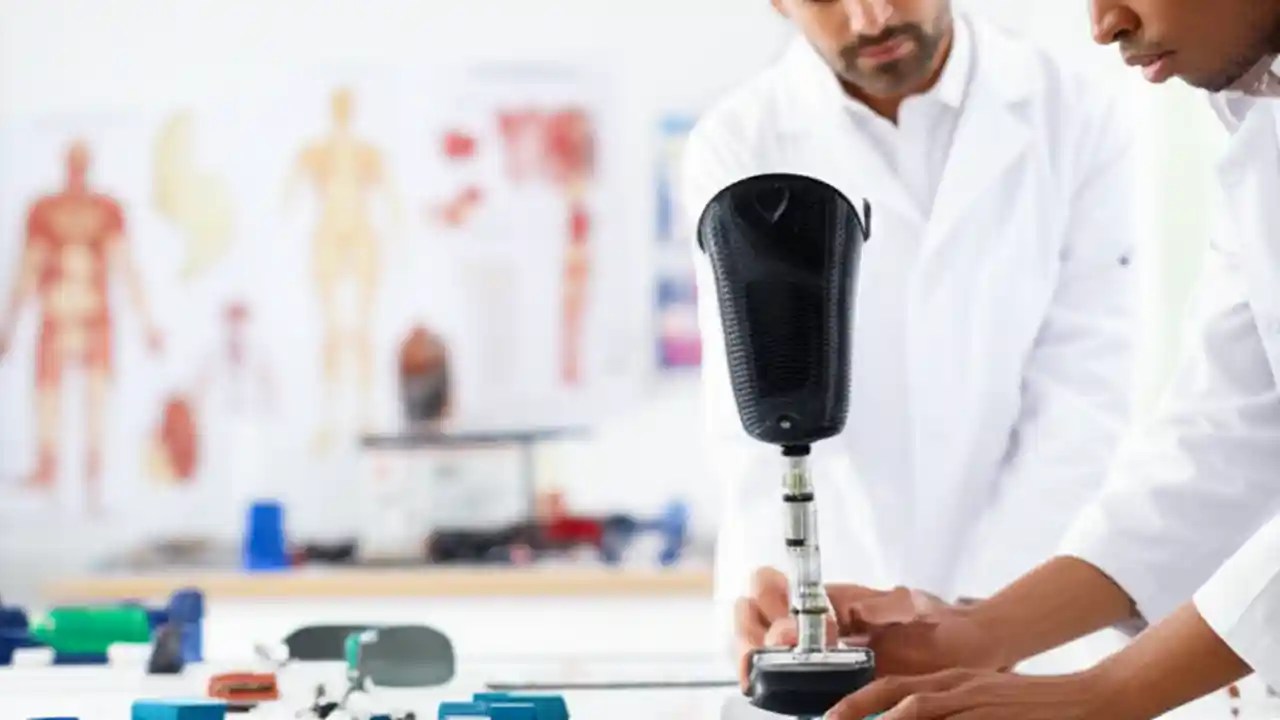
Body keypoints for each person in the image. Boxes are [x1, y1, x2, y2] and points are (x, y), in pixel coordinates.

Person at [735, 2, 1280, 718]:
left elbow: (1083, 403)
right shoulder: (1257, 113)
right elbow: (1230, 430)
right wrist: (981, 631)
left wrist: (1107, 691)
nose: (1104, 24)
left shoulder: (1087, 113)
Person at [687, 0, 1140, 658]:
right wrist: (786, 595)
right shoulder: (739, 139)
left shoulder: (1078, 116)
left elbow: (1086, 394)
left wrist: (988, 619)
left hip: (1038, 608)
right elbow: (751, 406)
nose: (871, 19)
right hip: (823, 613)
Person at [0, 141, 162, 514]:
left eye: (81, 164)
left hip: (94, 316)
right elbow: (28, 269)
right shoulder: (43, 210)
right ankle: (49, 474)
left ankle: (93, 482)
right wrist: (9, 326)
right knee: (48, 397)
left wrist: (147, 323)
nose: (76, 171)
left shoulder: (107, 210)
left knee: (96, 398)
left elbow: (125, 266)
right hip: (56, 315)